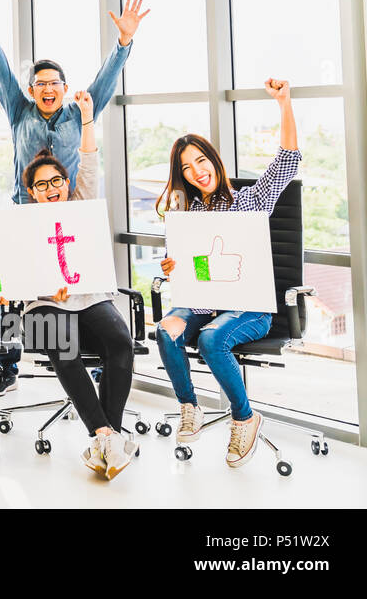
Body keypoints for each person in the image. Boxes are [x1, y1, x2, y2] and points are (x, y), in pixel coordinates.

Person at [0, 0, 149, 397]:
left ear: (64, 87)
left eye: (54, 83)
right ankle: (7, 366)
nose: (47, 89)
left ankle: (98, 362)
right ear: (32, 90)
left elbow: (106, 79)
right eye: (39, 84)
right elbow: (1, 73)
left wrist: (124, 41)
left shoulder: (81, 111)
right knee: (12, 297)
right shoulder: (18, 111)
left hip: (70, 215)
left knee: (79, 286)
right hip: (26, 216)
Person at [154, 78, 300, 468]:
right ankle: (190, 407)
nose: (196, 171)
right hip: (203, 302)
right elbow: (183, 268)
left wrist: (284, 103)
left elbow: (288, 157)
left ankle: (244, 417)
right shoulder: (188, 215)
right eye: (187, 168)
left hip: (248, 307)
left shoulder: (251, 199)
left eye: (200, 161)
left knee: (213, 339)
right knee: (165, 329)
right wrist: (171, 267)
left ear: (213, 159)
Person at [18, 92, 138, 480]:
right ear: (32, 193)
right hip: (42, 305)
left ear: (66, 183)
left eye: (56, 181)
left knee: (120, 340)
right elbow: (15, 277)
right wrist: (43, 291)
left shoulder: (81, 202)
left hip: (89, 296)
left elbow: (90, 163)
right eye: (41, 185)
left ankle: (110, 436)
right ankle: (104, 433)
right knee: (62, 345)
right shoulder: (23, 223)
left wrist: (87, 117)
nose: (51, 188)